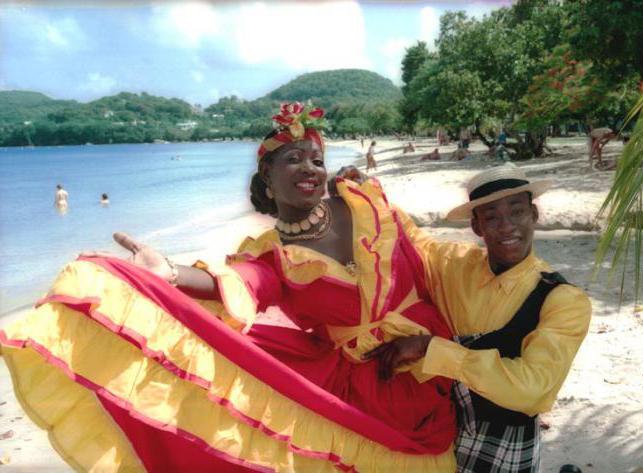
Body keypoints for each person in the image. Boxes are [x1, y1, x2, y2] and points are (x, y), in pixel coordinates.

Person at [0, 103, 457, 472]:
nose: (310, 168)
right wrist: (171, 274)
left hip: (441, 347)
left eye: (317, 159)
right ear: (268, 181)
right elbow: (238, 283)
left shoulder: (364, 202)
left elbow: (426, 255)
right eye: (293, 158)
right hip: (371, 385)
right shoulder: (271, 255)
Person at [365, 164, 592, 472]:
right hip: (435, 430)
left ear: (534, 215)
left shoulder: (563, 300)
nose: (507, 226)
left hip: (503, 446)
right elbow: (411, 240)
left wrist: (431, 348)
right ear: (476, 226)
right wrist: (368, 193)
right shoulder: (456, 265)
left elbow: (533, 390)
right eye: (491, 217)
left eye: (517, 212)